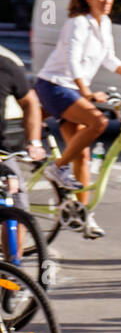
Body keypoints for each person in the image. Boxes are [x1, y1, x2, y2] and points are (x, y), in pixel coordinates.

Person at [34, 0, 121, 239]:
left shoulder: (104, 23)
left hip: (71, 89)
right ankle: (57, 167)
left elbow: (108, 57)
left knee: (83, 156)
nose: (107, 2)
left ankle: (82, 215)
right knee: (98, 122)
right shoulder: (77, 24)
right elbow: (73, 60)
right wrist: (85, 91)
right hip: (55, 86)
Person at [0, 52, 48, 256]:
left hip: (1, 151)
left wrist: (34, 142)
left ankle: (11, 273)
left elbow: (30, 102)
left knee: (18, 204)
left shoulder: (6, 66)